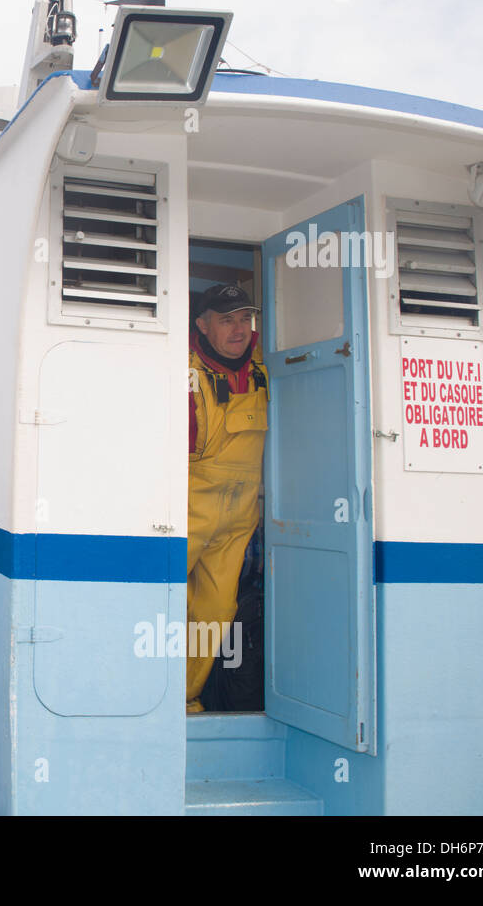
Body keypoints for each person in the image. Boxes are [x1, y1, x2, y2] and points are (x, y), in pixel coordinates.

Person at [186, 284, 268, 713]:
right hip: (186, 512)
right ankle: (146, 698)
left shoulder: (265, 370)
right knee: (161, 604)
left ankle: (186, 699)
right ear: (202, 325)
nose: (239, 329)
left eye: (244, 319)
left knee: (216, 613)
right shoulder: (184, 371)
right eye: (226, 319)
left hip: (238, 520)